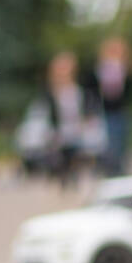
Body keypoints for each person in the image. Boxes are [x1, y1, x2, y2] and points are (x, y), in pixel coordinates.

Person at [88, 37, 132, 176]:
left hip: (121, 113)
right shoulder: (98, 71)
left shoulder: (125, 70)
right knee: (109, 148)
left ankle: (120, 173)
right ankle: (111, 173)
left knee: (122, 147)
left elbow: (129, 93)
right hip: (105, 115)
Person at [44, 51, 86, 187]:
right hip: (60, 130)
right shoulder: (52, 90)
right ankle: (63, 180)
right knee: (62, 157)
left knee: (74, 155)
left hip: (74, 128)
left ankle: (73, 179)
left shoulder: (76, 89)